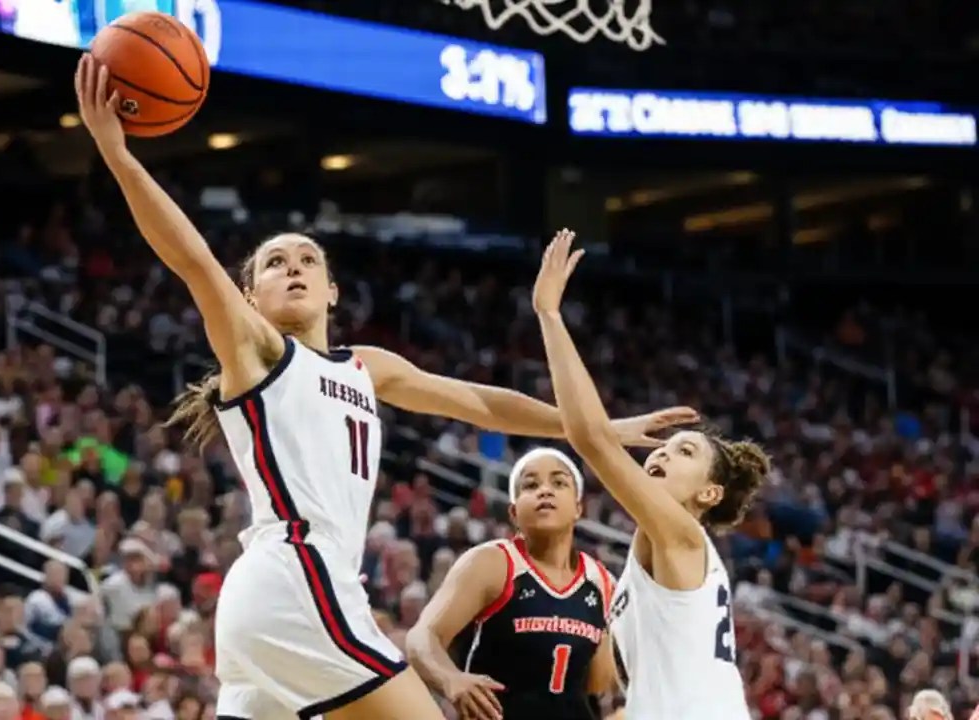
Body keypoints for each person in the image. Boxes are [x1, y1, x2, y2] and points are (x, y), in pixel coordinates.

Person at [74, 58, 692, 720]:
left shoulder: (365, 365)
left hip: (280, 601)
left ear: (333, 289)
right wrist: (118, 155)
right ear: (250, 294)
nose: (294, 269)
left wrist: (593, 429)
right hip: (295, 580)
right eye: (275, 264)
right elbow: (193, 259)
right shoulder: (257, 352)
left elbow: (479, 402)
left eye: (308, 259)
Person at [532, 229, 766, 720]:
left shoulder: (684, 536)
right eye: (665, 448)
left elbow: (589, 436)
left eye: (684, 452)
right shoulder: (651, 568)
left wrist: (550, 316)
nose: (660, 455)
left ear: (709, 491)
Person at [407, 447, 616, 720]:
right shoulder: (491, 563)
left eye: (559, 483)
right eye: (530, 485)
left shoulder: (602, 582)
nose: (545, 490)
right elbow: (421, 637)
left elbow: (597, 684)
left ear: (578, 508)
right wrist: (449, 678)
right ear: (514, 512)